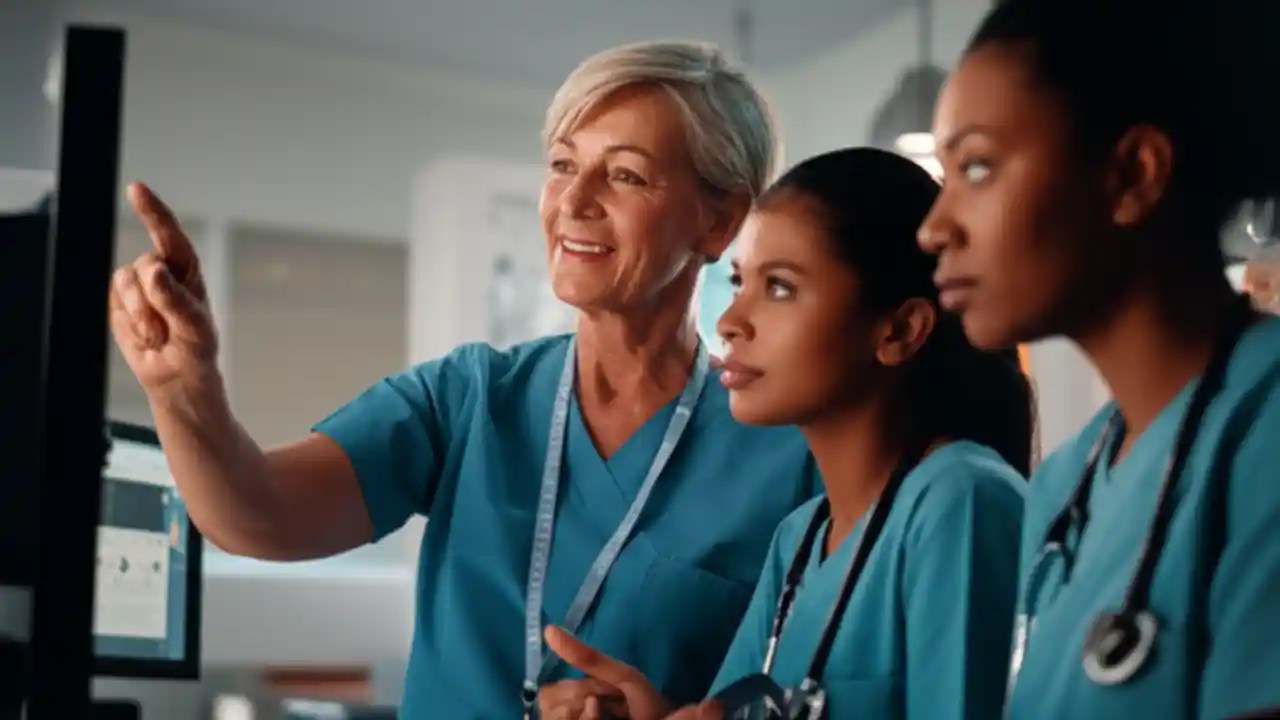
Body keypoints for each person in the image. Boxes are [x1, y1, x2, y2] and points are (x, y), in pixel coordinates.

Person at [106, 40, 822, 718]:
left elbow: (806, 691)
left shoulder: (788, 452)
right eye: (563, 165)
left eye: (626, 174)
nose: (574, 202)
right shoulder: (469, 399)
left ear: (719, 221)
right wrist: (183, 389)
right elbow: (255, 514)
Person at [537, 147, 1034, 720]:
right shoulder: (799, 540)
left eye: (779, 288)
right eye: (740, 282)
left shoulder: (960, 503)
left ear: (899, 329)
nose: (729, 321)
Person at [917, 0, 1280, 717]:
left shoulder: (1264, 433)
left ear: (1132, 175)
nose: (934, 228)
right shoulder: (1065, 484)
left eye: (979, 166)